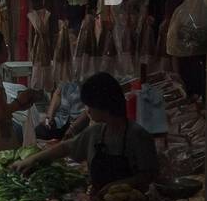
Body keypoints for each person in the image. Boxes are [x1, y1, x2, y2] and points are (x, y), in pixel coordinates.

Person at [16, 72, 159, 194]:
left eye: (90, 106)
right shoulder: (96, 132)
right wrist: (33, 159)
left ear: (104, 106)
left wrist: (118, 186)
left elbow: (149, 175)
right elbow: (66, 147)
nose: (88, 110)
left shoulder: (139, 137)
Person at [36, 78, 88, 142]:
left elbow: (91, 108)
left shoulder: (89, 74)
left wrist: (73, 128)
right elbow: (58, 93)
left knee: (74, 142)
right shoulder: (65, 71)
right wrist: (49, 116)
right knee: (40, 131)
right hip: (62, 119)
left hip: (81, 121)